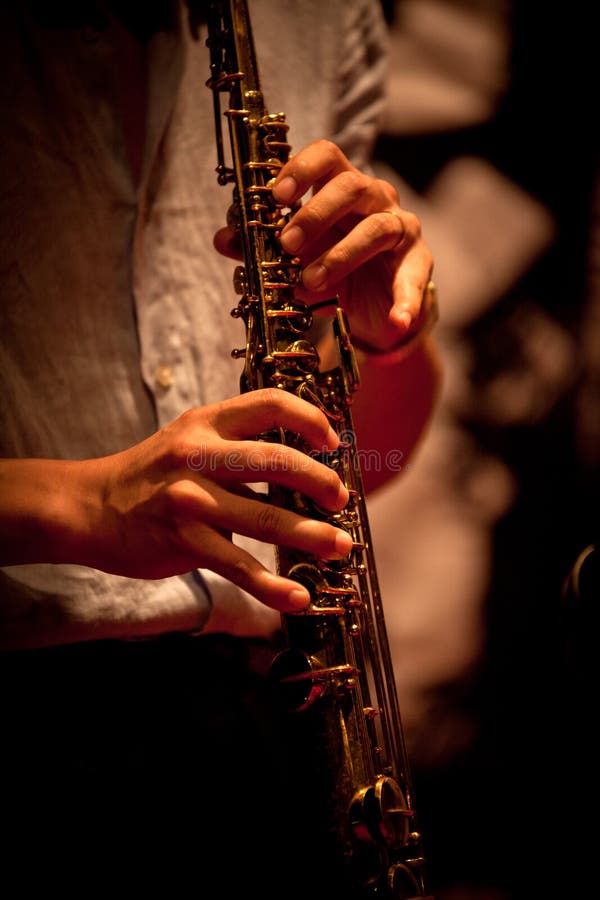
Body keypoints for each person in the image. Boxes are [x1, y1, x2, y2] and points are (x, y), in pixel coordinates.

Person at [0, 1, 439, 896]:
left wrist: (387, 340)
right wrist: (83, 503)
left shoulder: (322, 13)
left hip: (257, 725)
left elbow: (372, 464)